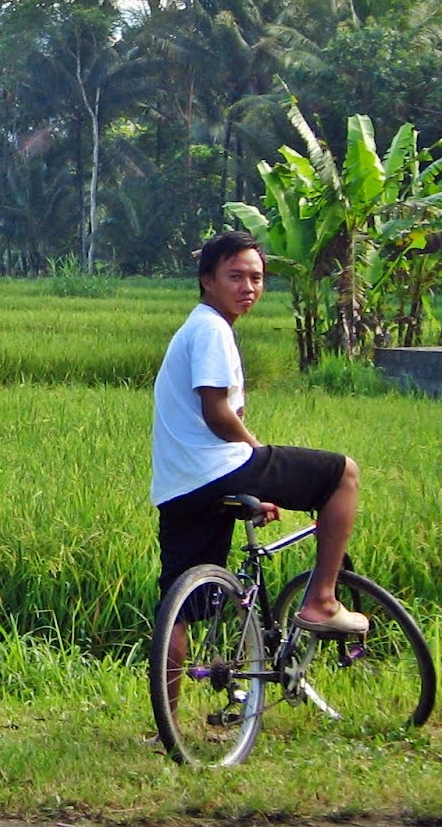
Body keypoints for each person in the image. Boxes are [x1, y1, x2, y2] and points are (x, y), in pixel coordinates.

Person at [151, 230, 367, 692]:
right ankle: (322, 601)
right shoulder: (212, 329)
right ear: (207, 280)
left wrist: (258, 486)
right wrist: (254, 452)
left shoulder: (197, 327)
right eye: (236, 276)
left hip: (178, 486)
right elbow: (217, 413)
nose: (248, 287)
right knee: (343, 474)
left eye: (257, 278)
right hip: (216, 466)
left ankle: (165, 727)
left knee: (178, 606)